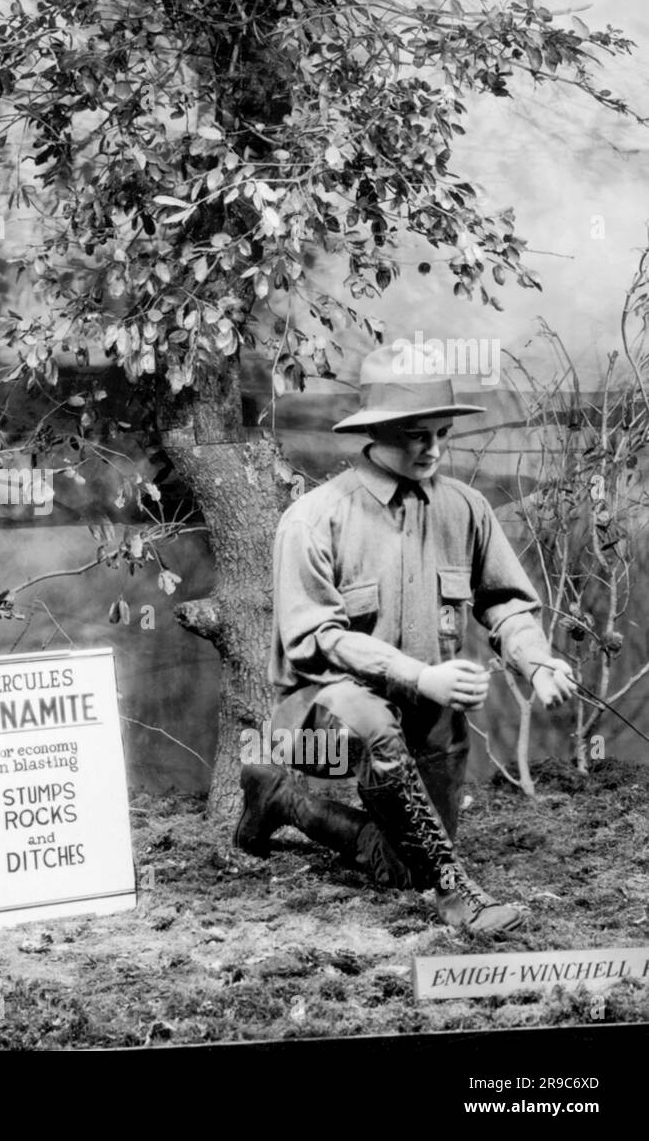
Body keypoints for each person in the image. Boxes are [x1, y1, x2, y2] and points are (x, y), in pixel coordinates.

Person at [235, 341, 575, 933]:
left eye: (442, 432)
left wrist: (537, 661)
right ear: (379, 429)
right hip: (326, 714)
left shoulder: (466, 509)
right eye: (418, 434)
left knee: (403, 867)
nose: (435, 448)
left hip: (428, 715)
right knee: (372, 723)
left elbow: (505, 603)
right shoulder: (315, 519)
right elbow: (317, 639)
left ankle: (281, 800)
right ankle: (457, 892)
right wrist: (420, 675)